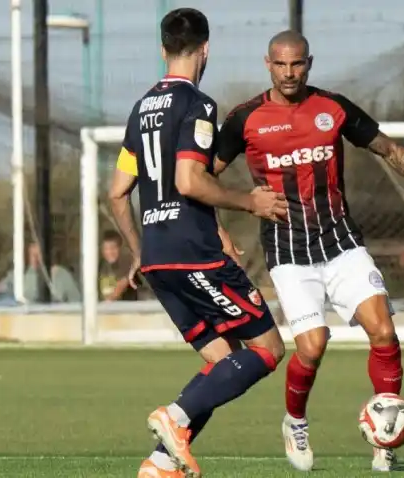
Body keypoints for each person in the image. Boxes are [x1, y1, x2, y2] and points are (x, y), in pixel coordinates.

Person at [214, 30, 404, 472]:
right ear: (268, 64)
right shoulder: (246, 118)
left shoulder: (332, 108)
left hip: (341, 243)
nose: (289, 73)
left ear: (309, 63)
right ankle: (295, 421)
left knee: (384, 332)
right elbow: (203, 178)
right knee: (313, 346)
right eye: (281, 64)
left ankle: (385, 436)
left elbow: (389, 149)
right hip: (288, 250)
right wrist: (219, 229)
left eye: (297, 64)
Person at [107, 9, 290, 478]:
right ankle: (175, 416)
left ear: (162, 49)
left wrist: (139, 251)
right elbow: (190, 181)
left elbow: (117, 193)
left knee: (222, 361)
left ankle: (160, 463)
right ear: (205, 49)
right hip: (194, 253)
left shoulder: (141, 109)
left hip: (158, 258)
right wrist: (249, 202)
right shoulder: (198, 105)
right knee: (268, 349)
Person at [98, 231, 138, 301]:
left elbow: (121, 285)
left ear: (120, 248)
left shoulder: (126, 261)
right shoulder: (101, 265)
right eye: (105, 248)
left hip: (125, 306)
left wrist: (107, 303)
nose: (109, 252)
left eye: (113, 248)